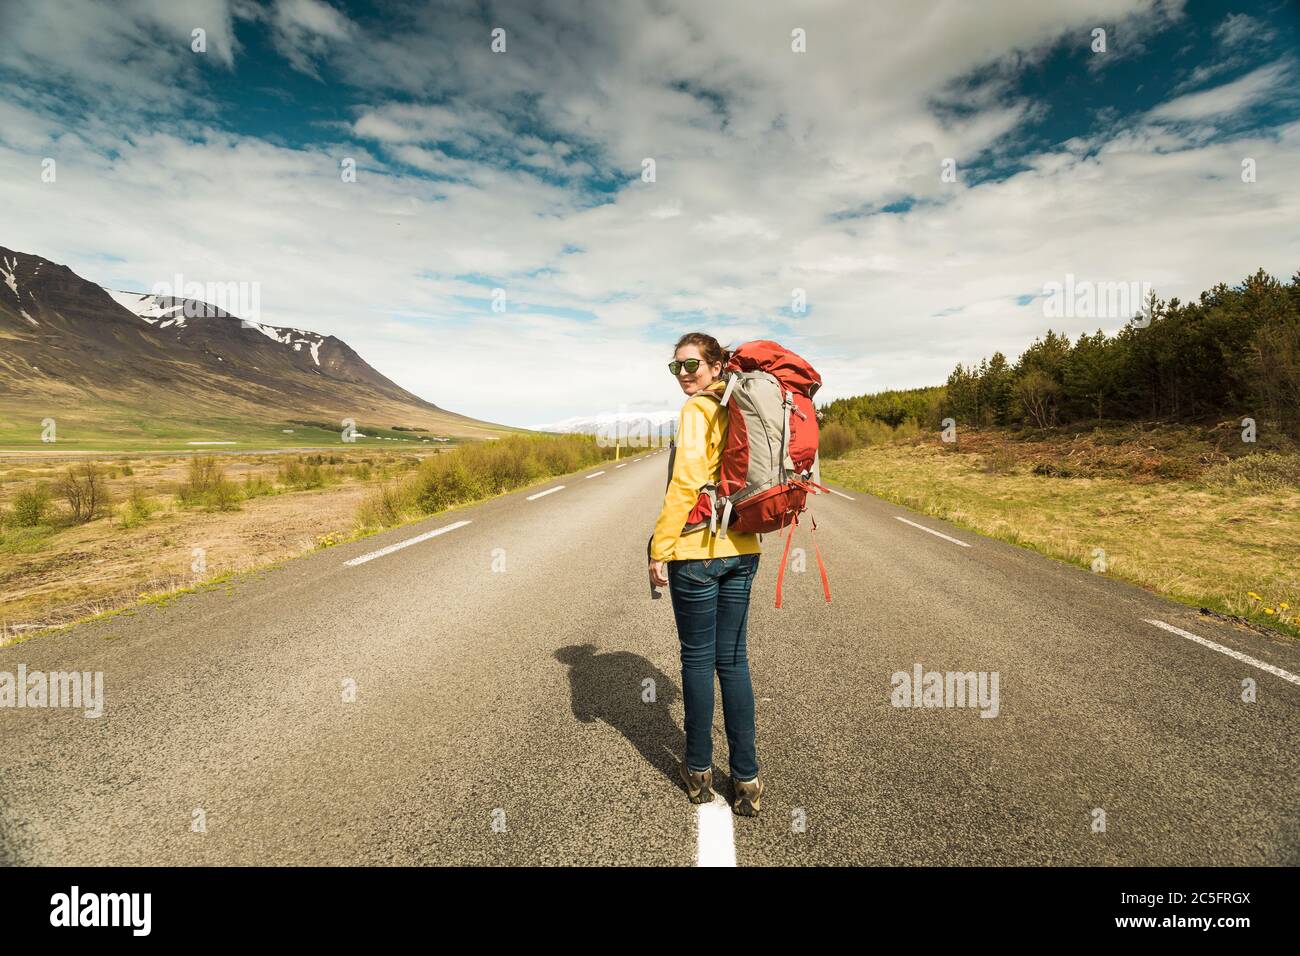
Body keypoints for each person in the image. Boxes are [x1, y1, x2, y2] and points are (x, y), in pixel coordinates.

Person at [648, 332, 765, 816]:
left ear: (717, 365)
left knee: (698, 661)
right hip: (743, 548)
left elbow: (683, 485)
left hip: (698, 553)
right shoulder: (742, 405)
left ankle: (698, 773)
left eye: (692, 364)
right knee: (733, 662)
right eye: (675, 367)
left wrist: (660, 548)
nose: (684, 374)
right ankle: (747, 780)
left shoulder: (697, 411)